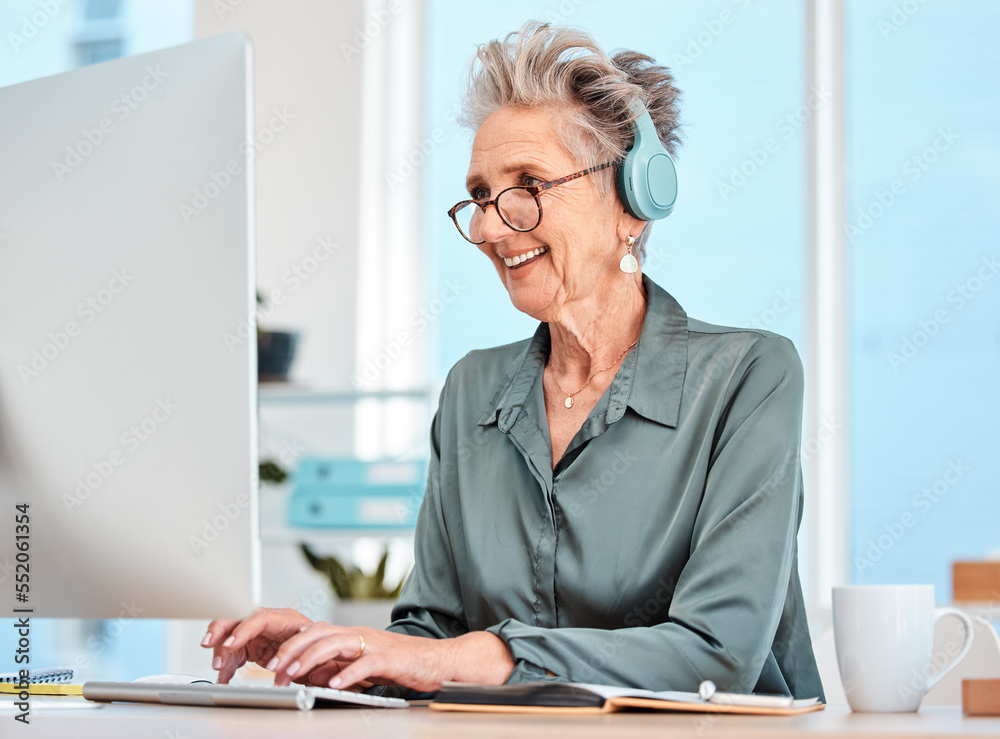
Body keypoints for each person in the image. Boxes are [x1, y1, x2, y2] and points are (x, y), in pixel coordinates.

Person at [201, 22, 824, 701]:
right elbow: (430, 637)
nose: (493, 226)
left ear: (632, 204)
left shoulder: (748, 377)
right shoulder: (473, 389)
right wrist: (346, 655)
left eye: (528, 184)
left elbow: (717, 654)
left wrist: (483, 656)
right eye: (478, 195)